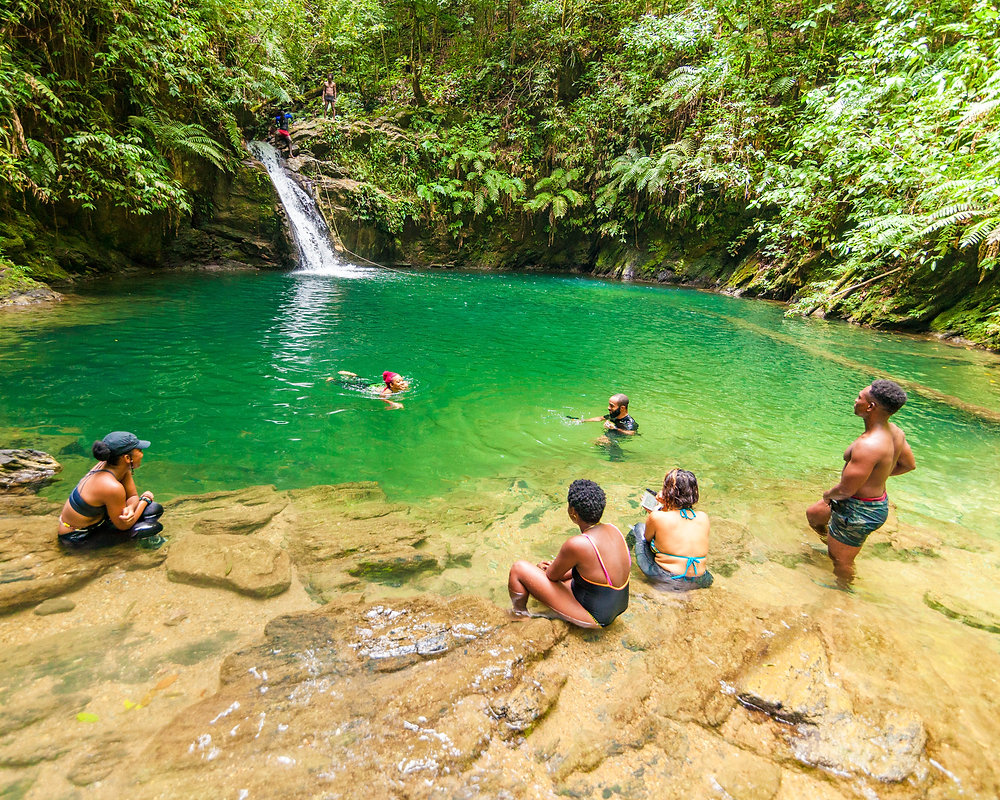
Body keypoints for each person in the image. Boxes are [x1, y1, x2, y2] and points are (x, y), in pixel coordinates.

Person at [806, 379, 916, 587]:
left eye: (859, 397)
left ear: (870, 406)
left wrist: (828, 494)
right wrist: (876, 478)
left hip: (859, 510)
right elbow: (908, 465)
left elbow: (846, 489)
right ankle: (834, 540)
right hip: (867, 502)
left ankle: (844, 592)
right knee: (814, 514)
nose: (855, 401)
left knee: (841, 560)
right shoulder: (895, 432)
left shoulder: (868, 446)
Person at [507, 479, 630, 628]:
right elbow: (593, 569)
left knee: (518, 569)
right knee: (561, 577)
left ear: (573, 513)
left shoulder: (577, 544)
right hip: (616, 606)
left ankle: (519, 615)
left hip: (595, 617)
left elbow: (552, 576)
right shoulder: (614, 530)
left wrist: (544, 568)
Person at [57, 431, 164, 549]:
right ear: (127, 458)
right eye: (139, 450)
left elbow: (132, 496)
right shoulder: (111, 487)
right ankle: (140, 546)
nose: (142, 454)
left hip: (97, 523)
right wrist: (145, 500)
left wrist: (131, 508)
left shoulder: (118, 467)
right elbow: (123, 526)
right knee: (152, 527)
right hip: (77, 538)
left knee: (154, 509)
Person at [630, 469, 712, 589]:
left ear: (668, 492)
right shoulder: (703, 517)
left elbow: (647, 540)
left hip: (667, 579)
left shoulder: (657, 517)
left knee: (639, 528)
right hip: (702, 580)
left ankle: (622, 560)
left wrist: (657, 511)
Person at [326, 370, 409, 409]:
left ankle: (354, 376)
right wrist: (392, 403)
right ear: (391, 384)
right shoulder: (388, 392)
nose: (402, 383)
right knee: (351, 385)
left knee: (362, 381)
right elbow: (382, 397)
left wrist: (406, 387)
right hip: (369, 389)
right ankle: (333, 380)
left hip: (376, 385)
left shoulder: (399, 385)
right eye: (398, 382)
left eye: (402, 380)